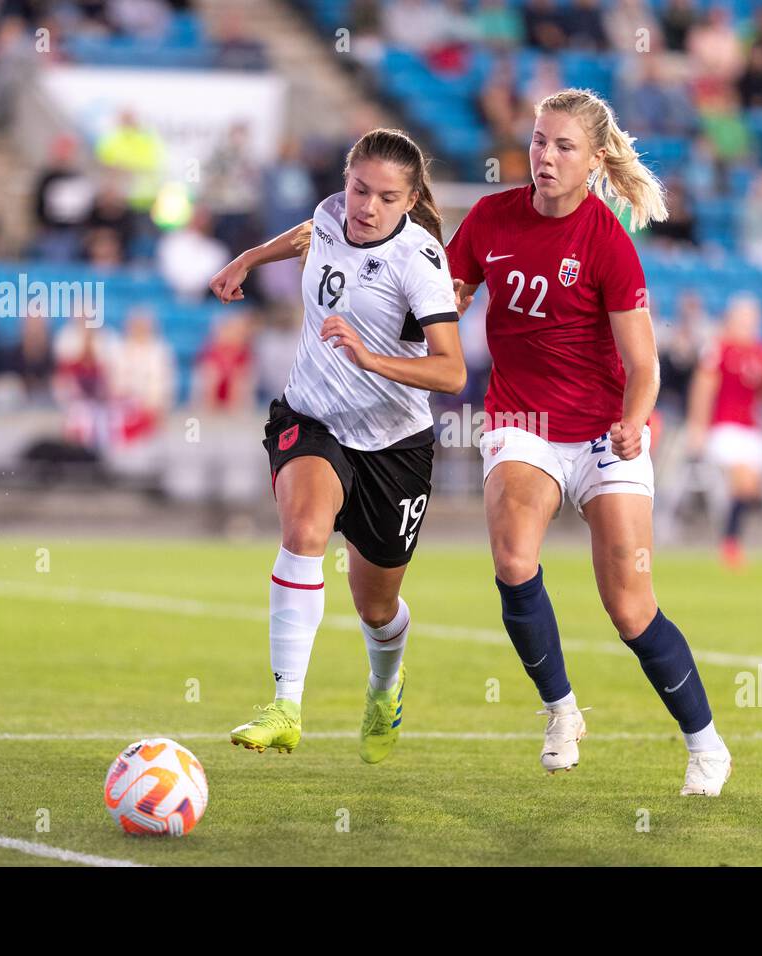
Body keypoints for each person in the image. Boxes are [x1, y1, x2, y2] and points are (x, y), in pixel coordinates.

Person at [447, 88, 732, 797]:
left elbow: (645, 366)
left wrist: (635, 421)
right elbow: (446, 298)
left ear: (595, 159)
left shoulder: (607, 240)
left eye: (563, 146)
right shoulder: (488, 219)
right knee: (514, 558)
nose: (544, 155)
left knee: (630, 608)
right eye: (540, 140)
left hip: (606, 434)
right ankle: (562, 711)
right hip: (522, 422)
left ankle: (705, 745)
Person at [208, 128, 466, 762]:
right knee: (304, 532)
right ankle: (286, 705)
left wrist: (371, 356)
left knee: (376, 608)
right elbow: (309, 232)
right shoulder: (330, 214)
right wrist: (250, 257)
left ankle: (385, 684)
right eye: (358, 189)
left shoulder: (421, 261)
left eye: (384, 197)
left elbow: (452, 372)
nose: (366, 206)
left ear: (409, 201)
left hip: (395, 445)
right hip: (312, 417)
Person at [684, 294, 762, 569]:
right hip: (724, 426)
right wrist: (698, 426)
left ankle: (728, 536)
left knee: (750, 489)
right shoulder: (719, 348)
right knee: (743, 482)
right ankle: (730, 544)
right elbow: (704, 388)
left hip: (752, 429)